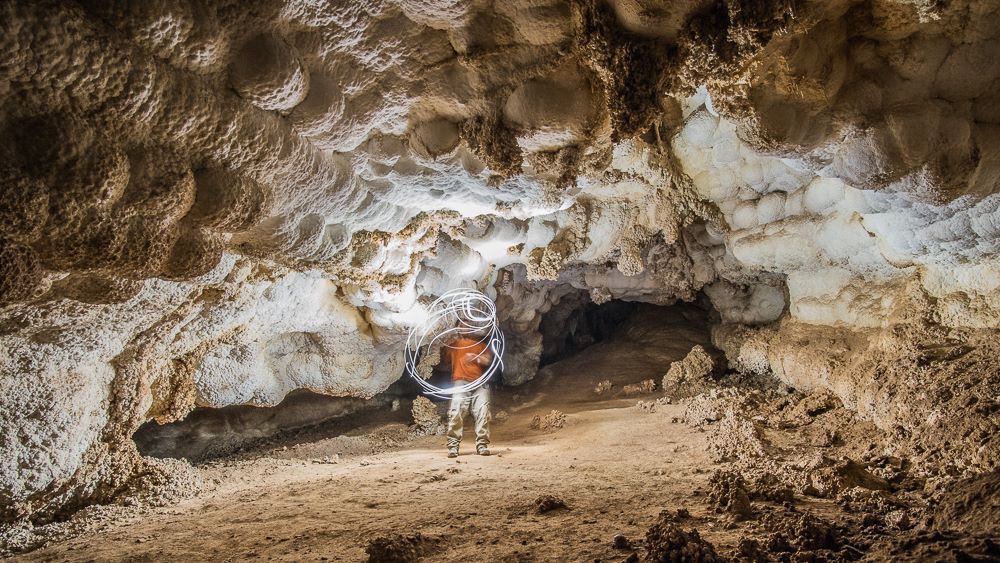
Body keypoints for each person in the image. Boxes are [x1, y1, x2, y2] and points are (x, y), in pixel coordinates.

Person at [443, 334, 493, 458]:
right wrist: (447, 342)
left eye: (468, 323)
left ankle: (482, 445)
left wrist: (475, 357)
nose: (465, 325)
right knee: (456, 410)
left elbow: (487, 360)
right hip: (461, 381)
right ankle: (453, 446)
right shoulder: (454, 344)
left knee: (483, 411)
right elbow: (445, 359)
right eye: (462, 323)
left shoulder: (481, 344)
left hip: (479, 382)